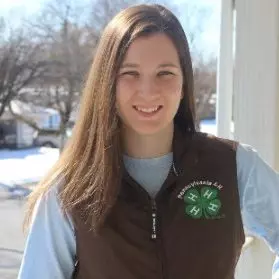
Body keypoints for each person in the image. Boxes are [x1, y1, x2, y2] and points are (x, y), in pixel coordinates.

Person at [18, 4, 279, 279]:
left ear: (183, 83)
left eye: (164, 73)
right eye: (129, 73)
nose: (148, 91)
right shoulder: (69, 190)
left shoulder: (232, 166)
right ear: (107, 83)